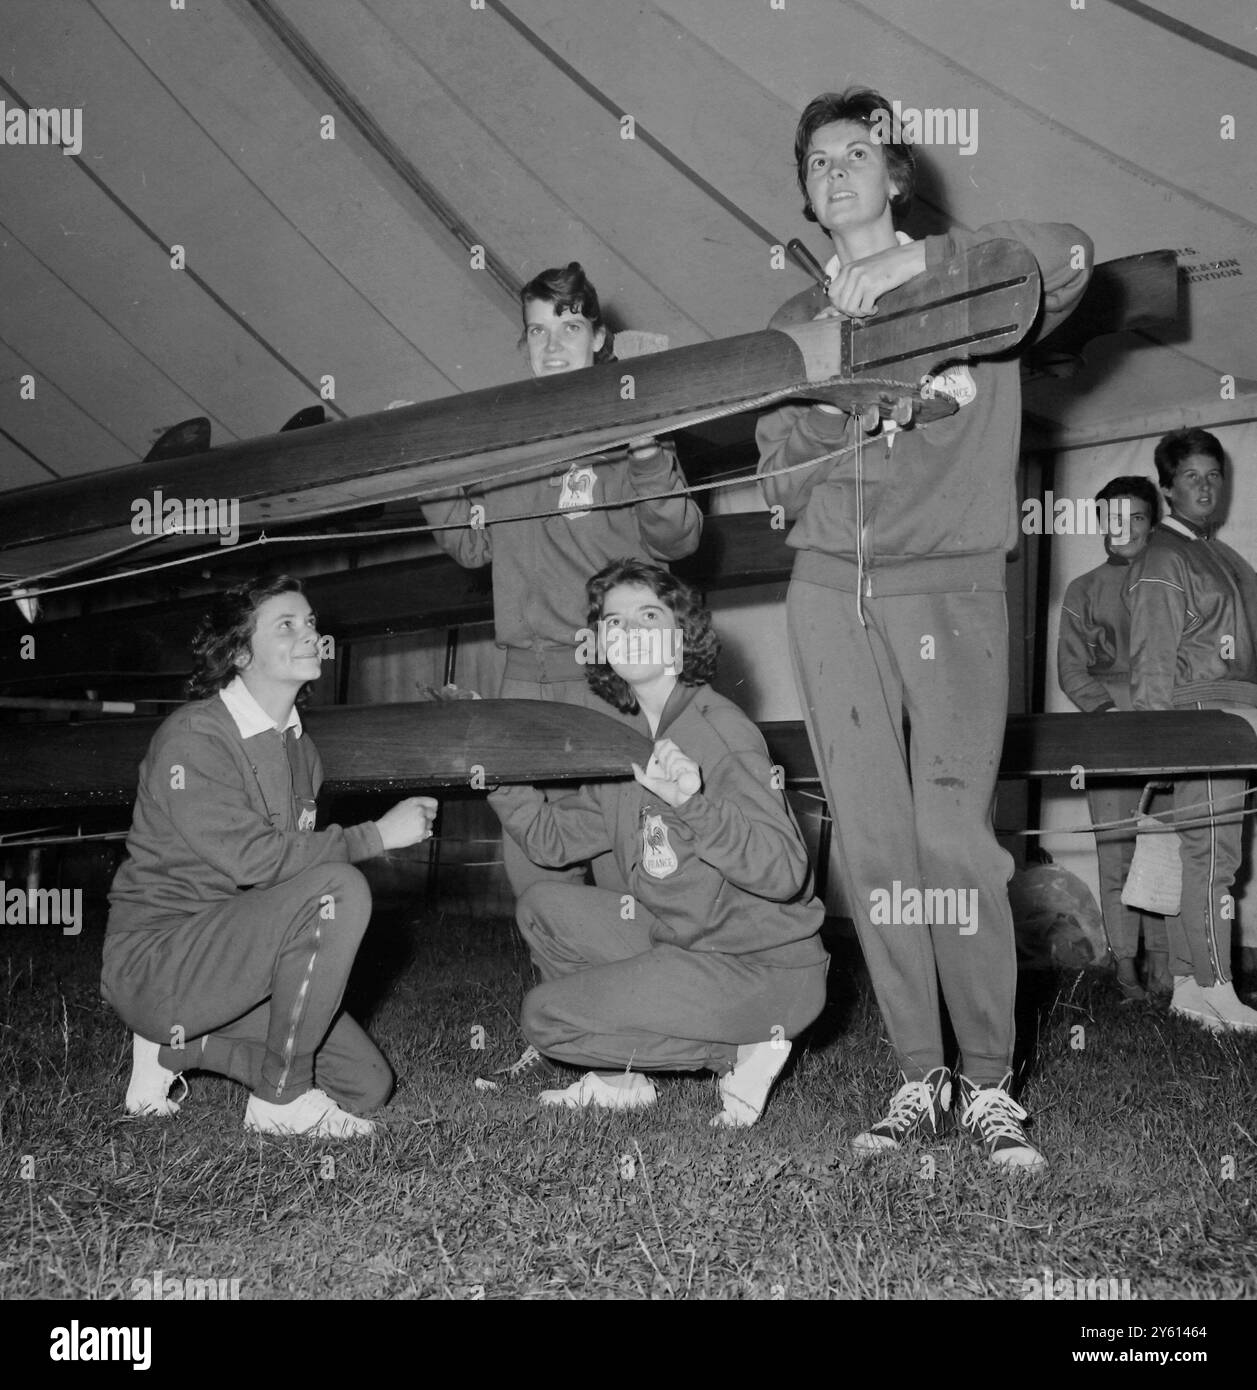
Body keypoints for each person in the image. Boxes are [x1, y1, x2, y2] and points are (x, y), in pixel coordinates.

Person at [757, 88, 1092, 1169]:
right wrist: (825, 421)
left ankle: (990, 1082)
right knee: (874, 840)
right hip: (831, 586)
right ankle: (917, 1076)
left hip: (950, 583)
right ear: (806, 193)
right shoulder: (793, 327)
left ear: (897, 173)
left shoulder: (973, 273)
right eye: (818, 160)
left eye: (859, 151)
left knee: (952, 838)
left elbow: (1074, 253)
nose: (838, 170)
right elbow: (777, 468)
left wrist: (909, 272)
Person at [488, 559, 828, 1127]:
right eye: (614, 622)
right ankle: (621, 1080)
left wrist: (693, 802)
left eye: (649, 615)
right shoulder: (629, 740)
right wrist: (496, 769)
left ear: (681, 639)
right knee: (545, 908)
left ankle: (740, 1050)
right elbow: (552, 841)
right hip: (688, 944)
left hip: (762, 971)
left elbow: (784, 871)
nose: (629, 631)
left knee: (547, 1020)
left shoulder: (718, 730)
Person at [102, 574, 438, 1136]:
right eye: (287, 625)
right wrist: (378, 835)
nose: (311, 635)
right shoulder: (195, 736)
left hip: (235, 954)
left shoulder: (302, 751)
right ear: (239, 652)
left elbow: (281, 879)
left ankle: (173, 1051)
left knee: (366, 1086)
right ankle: (278, 1102)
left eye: (311, 623)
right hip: (157, 964)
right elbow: (255, 862)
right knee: (339, 887)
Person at [421, 263, 702, 900]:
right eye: (537, 331)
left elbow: (679, 538)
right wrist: (432, 479)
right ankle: (563, 985)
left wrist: (650, 454)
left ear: (599, 337)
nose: (552, 346)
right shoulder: (506, 436)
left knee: (620, 852)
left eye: (568, 326)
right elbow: (472, 545)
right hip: (524, 675)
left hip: (606, 675)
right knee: (535, 867)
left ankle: (636, 986)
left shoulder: (631, 419)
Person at [1126, 428, 1257, 1031]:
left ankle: (1186, 986)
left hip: (1235, 720)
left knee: (1199, 856)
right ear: (1168, 487)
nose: (1206, 487)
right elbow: (1152, 661)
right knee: (1215, 859)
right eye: (1191, 477)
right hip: (1197, 721)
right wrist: (1160, 744)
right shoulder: (1163, 554)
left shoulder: (1225, 557)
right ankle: (1218, 986)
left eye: (1214, 476)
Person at [1057, 476, 1170, 1001]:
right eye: (1113, 517)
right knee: (1116, 852)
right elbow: (1071, 670)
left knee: (1169, 850)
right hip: (1107, 731)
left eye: (1138, 517)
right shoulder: (1083, 589)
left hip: (1173, 727)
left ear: (1155, 523)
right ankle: (1126, 970)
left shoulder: (1177, 581)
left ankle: (1173, 971)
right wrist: (1112, 717)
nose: (1123, 528)